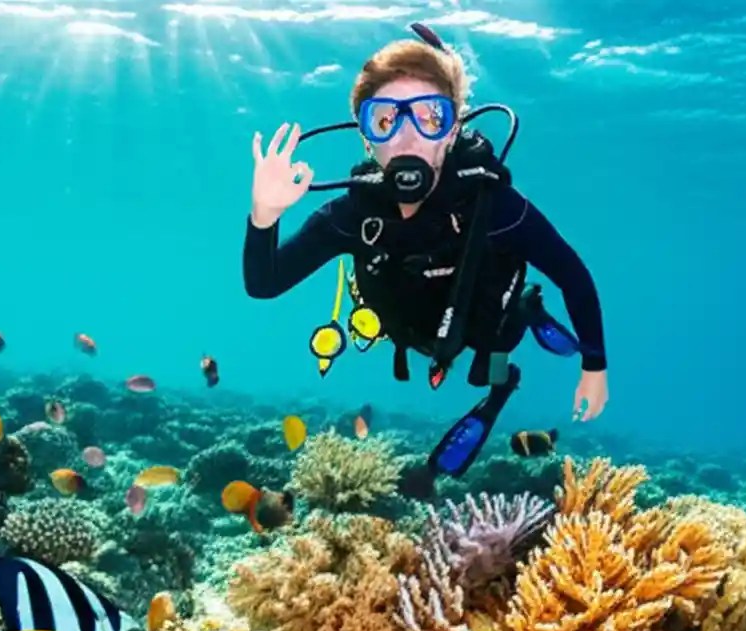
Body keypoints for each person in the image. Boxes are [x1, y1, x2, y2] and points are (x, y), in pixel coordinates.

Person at [243, 23, 609, 487]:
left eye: (429, 117)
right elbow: (265, 283)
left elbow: (574, 275)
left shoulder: (493, 206)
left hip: (486, 324)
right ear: (365, 137)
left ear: (452, 130)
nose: (407, 137)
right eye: (384, 120)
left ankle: (525, 317)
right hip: (410, 332)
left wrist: (595, 366)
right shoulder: (353, 214)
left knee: (498, 350)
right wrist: (264, 216)